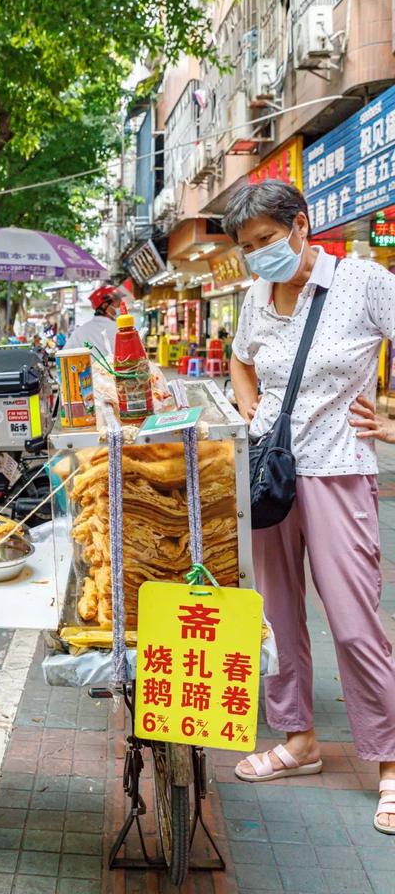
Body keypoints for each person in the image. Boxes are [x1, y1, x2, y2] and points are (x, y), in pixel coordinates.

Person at [225, 179, 395, 834]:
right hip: (269, 478)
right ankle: (298, 740)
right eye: (247, 247)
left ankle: (387, 761)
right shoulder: (254, 298)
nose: (257, 255)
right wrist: (249, 409)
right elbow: (242, 361)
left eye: (265, 240)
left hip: (337, 470)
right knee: (276, 618)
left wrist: (387, 424)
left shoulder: (362, 281)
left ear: (301, 226)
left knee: (354, 622)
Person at [64, 285, 123, 354]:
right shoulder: (121, 329)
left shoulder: (79, 332)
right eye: (118, 303)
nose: (121, 307)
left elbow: (63, 355)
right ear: (105, 305)